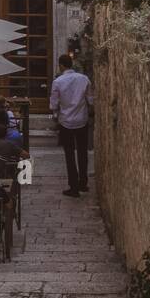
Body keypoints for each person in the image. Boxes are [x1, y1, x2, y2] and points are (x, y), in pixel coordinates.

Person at [50, 53, 93, 198]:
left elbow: (54, 104)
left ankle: (73, 187)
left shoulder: (58, 82)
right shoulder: (84, 79)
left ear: (61, 65)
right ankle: (83, 182)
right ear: (71, 64)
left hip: (66, 122)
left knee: (69, 153)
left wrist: (56, 115)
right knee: (82, 152)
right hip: (82, 120)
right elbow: (91, 99)